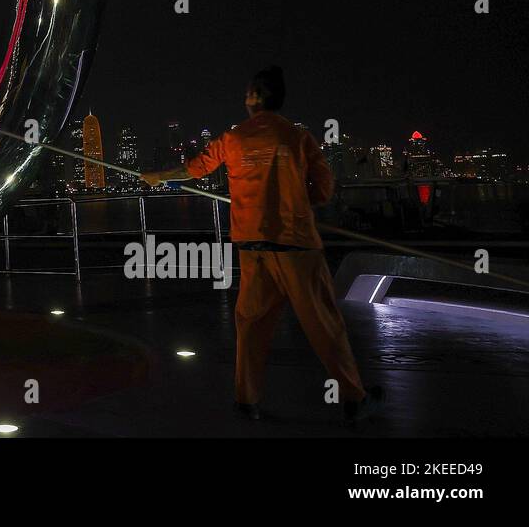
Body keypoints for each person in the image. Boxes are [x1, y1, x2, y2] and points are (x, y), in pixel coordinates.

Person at [142, 66, 381, 423]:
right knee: (323, 325)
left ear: (255, 97)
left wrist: (158, 177)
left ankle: (247, 400)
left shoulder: (233, 139)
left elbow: (196, 169)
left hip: (251, 245)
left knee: (251, 325)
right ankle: (352, 397)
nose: (244, 98)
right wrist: (298, 200)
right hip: (296, 245)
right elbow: (325, 190)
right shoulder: (298, 138)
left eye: (248, 93)